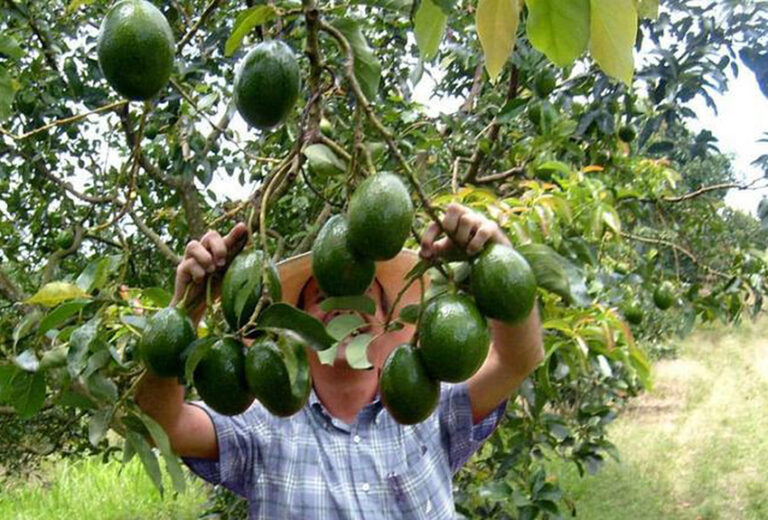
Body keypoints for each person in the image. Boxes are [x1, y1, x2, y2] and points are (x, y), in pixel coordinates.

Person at [135, 203, 544, 519]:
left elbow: (518, 359)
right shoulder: (261, 424)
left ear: (389, 322)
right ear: (291, 330)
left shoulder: (429, 406)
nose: (343, 308)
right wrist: (188, 308)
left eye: (362, 296)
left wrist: (495, 254)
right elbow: (159, 423)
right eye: (322, 297)